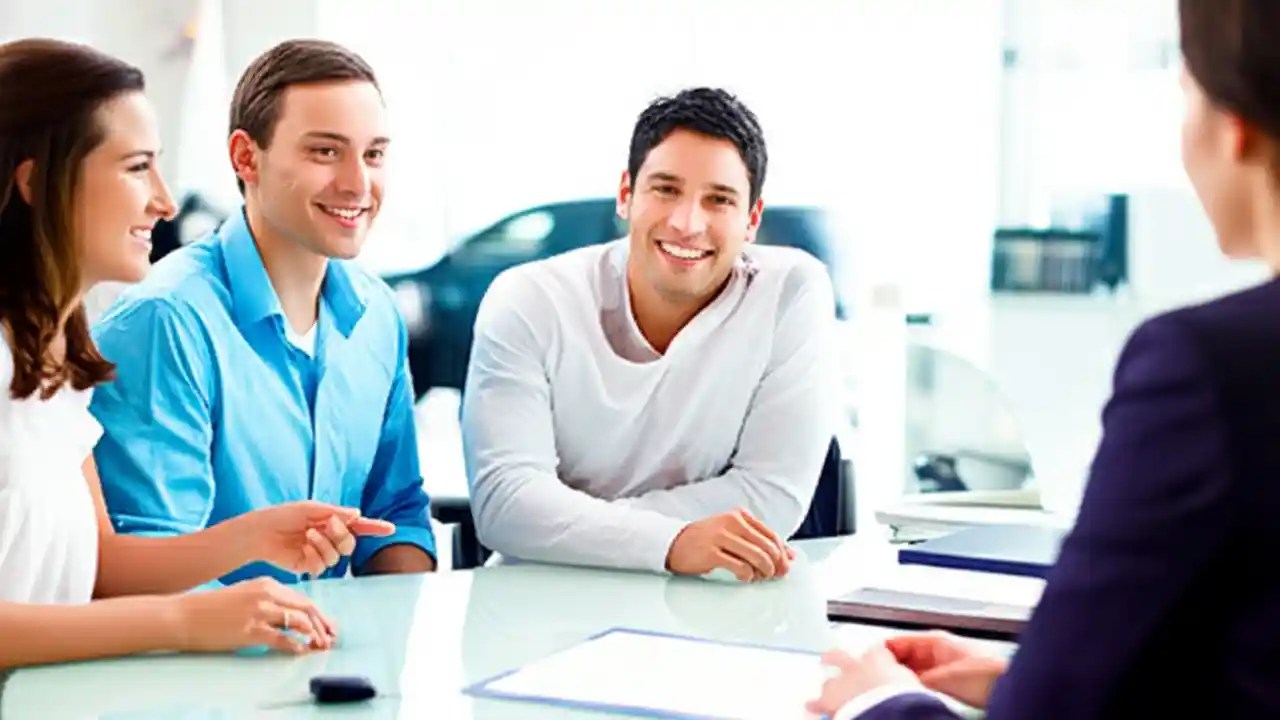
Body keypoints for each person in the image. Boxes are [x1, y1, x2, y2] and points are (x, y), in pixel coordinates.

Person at [808, 1, 1280, 718]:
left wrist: (875, 704)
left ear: (1234, 125)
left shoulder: (1206, 369)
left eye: (1185, 95)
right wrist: (1018, 681)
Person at [0, 38, 399, 668]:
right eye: (137, 167)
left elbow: (101, 563)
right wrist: (184, 617)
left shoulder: (56, 362)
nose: (165, 200)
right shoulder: (160, 318)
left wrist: (251, 538)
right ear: (38, 181)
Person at [88, 39, 437, 584]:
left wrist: (390, 648)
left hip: (327, 656)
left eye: (373, 154)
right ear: (246, 157)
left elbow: (396, 515)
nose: (358, 183)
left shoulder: (377, 316)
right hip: (203, 661)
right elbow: (148, 569)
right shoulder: (165, 322)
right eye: (325, 152)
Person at [462, 87, 838, 580]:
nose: (687, 223)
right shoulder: (529, 300)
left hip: (703, 607)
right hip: (534, 599)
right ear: (625, 194)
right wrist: (675, 542)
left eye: (719, 200)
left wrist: (563, 525)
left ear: (751, 220)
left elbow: (772, 499)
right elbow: (505, 505)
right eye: (666, 189)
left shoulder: (789, 292)